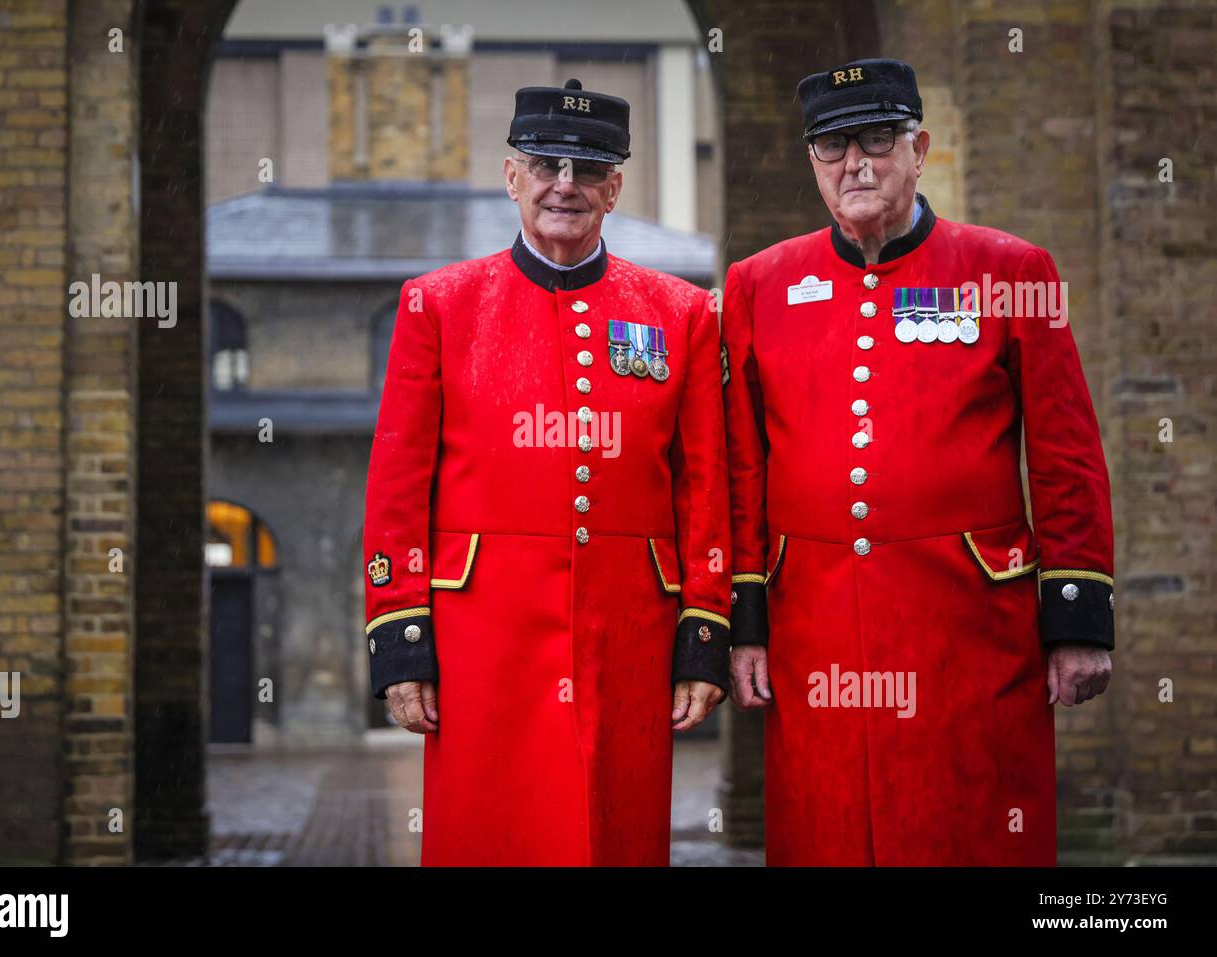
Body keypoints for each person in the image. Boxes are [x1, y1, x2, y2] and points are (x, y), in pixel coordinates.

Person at [722, 58, 1114, 865]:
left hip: (971, 629)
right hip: (816, 627)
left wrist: (1076, 617)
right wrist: (745, 621)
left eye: (876, 140)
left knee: (968, 828)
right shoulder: (758, 285)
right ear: (812, 163)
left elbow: (1066, 451)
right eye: (832, 148)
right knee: (827, 830)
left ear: (919, 148)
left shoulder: (1011, 272)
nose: (854, 164)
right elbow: (741, 466)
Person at [363, 79, 731, 866]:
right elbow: (398, 482)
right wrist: (400, 633)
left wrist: (703, 628)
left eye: (588, 167)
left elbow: (705, 482)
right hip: (480, 641)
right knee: (489, 830)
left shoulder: (681, 312)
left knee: (616, 830)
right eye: (544, 163)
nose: (565, 182)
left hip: (629, 636)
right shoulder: (440, 304)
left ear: (614, 187)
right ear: (512, 176)